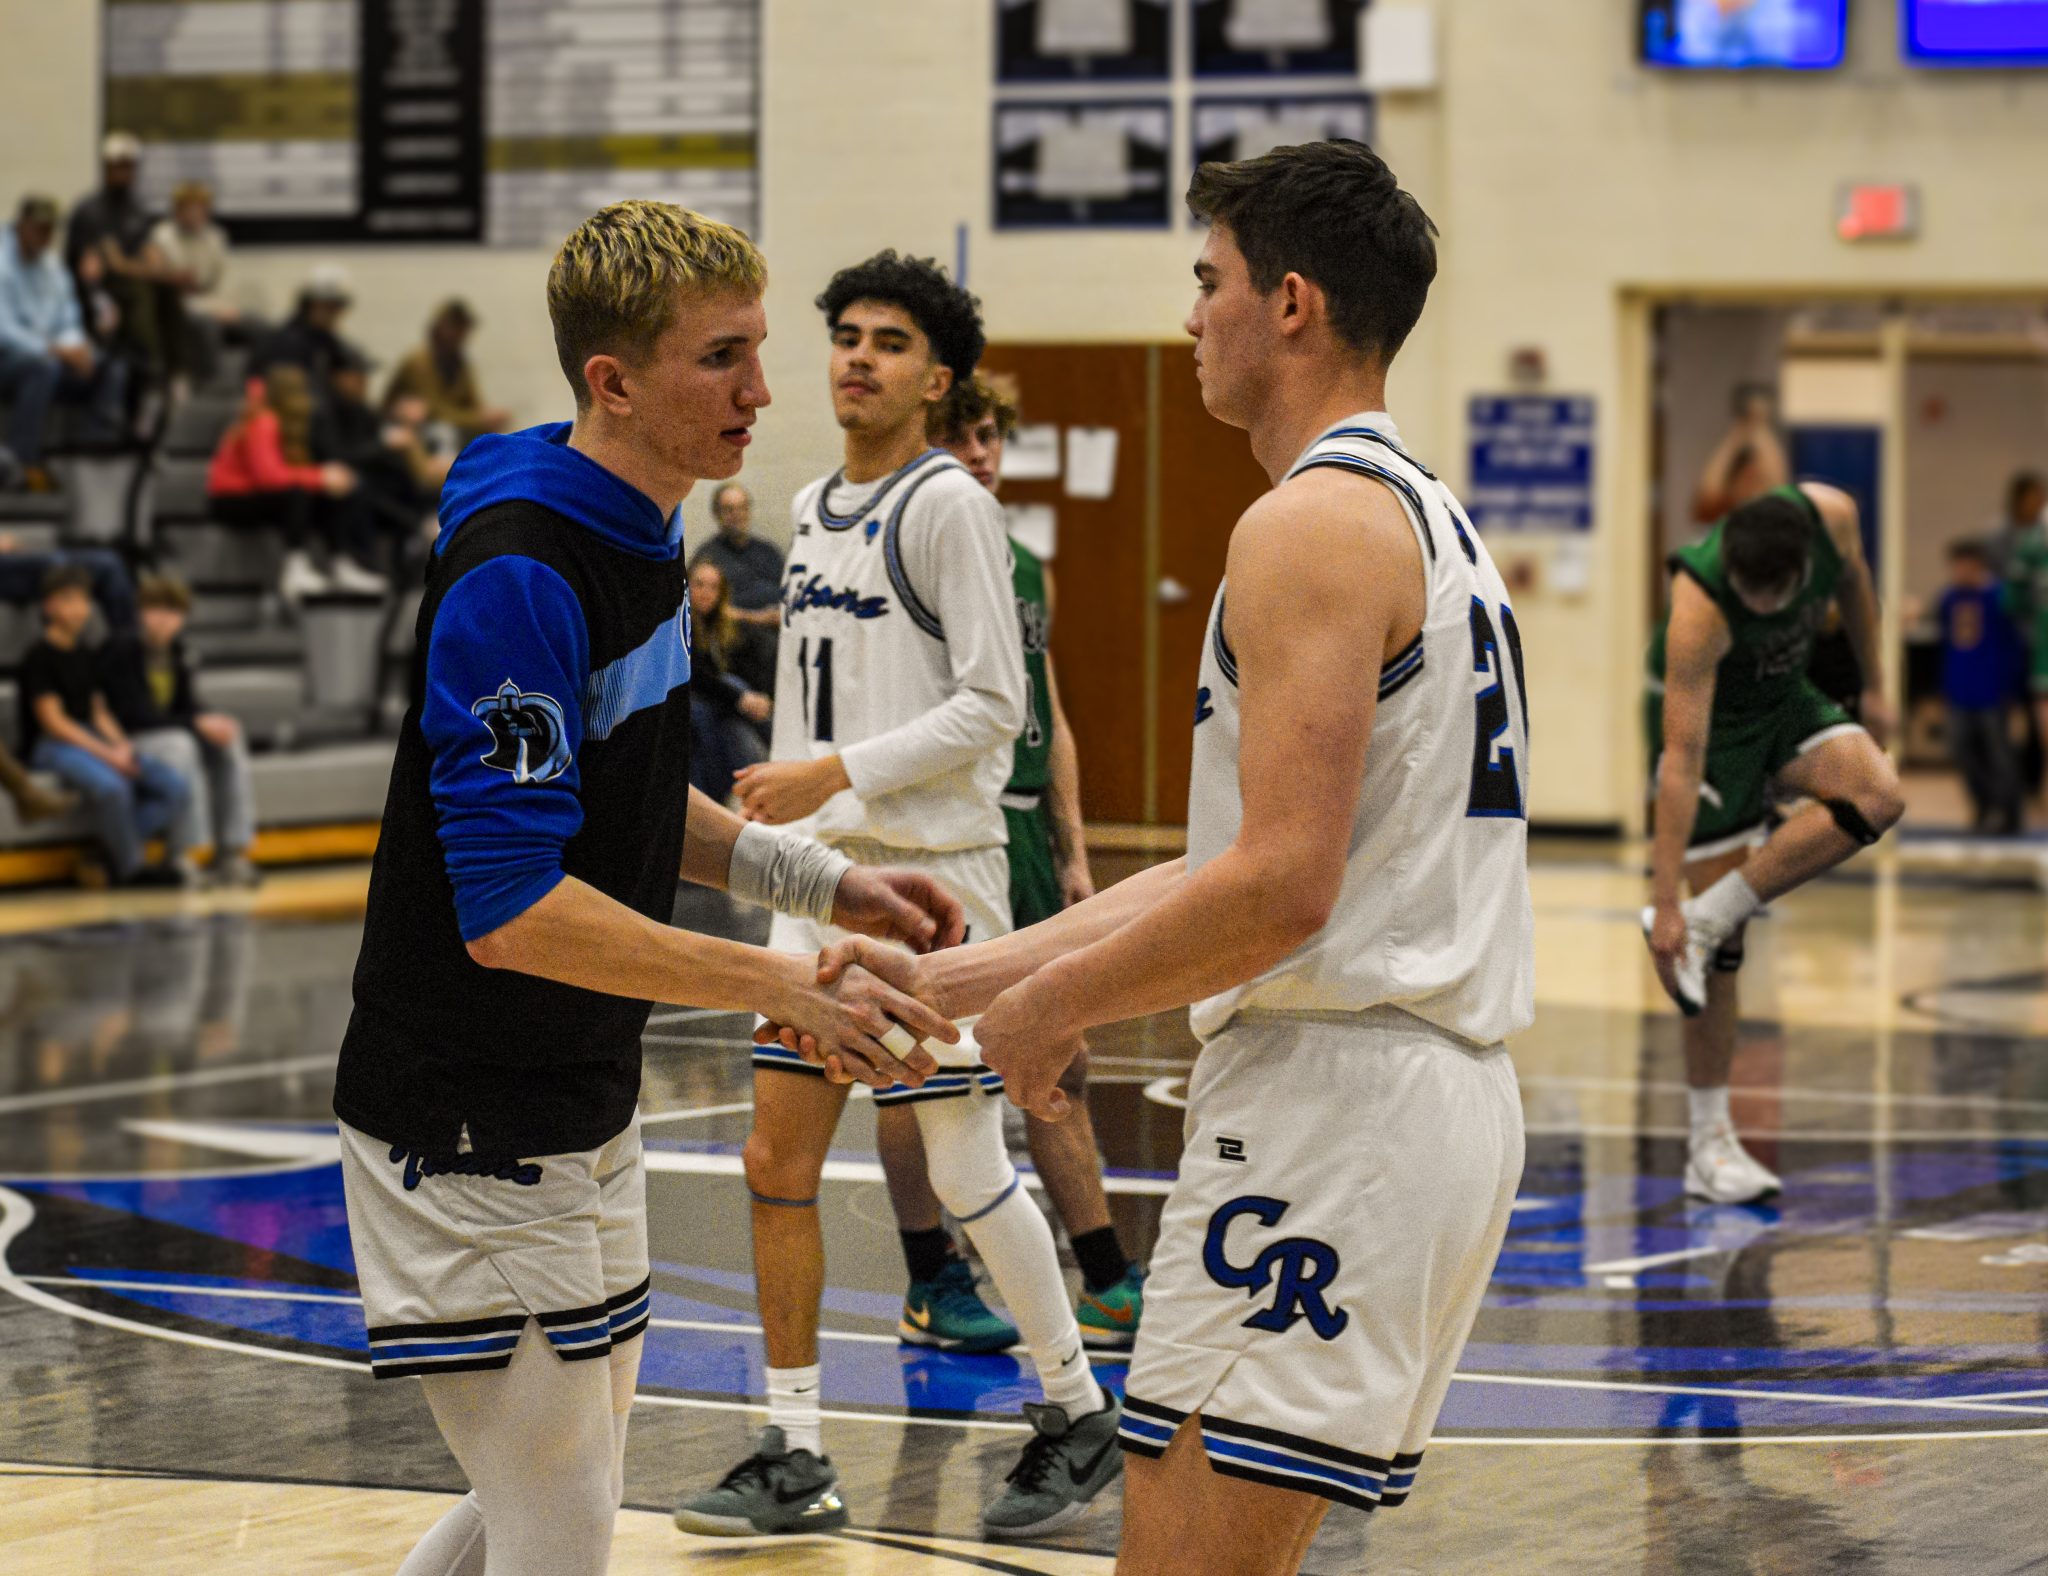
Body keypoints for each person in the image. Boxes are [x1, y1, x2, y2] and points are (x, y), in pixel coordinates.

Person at [771, 140, 1535, 1576]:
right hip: (1384, 1106)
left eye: (1210, 281)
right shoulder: (1422, 514)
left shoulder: (1307, 523)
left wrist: (1049, 1012)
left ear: (1291, 303)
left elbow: (1282, 890)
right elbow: (1227, 863)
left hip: (1344, 1109)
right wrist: (957, 975)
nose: (1193, 316)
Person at [330, 199, 967, 1576]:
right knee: (562, 1524)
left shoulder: (633, 530)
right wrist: (787, 984)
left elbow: (625, 805)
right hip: (468, 1116)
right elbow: (510, 909)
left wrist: (821, 881)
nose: (763, 389)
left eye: (756, 348)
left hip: (575, 1092)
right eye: (721, 358)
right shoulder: (524, 573)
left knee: (546, 1491)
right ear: (612, 383)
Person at [676, 251, 1122, 1543]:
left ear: (939, 378)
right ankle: (795, 1447)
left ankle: (1077, 1411)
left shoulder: (950, 507)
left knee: (969, 1165)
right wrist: (804, 810)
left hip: (930, 880)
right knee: (775, 1160)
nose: (858, 357)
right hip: (822, 881)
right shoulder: (813, 506)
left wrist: (835, 767)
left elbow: (997, 704)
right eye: (846, 336)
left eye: (889, 341)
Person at [871, 374, 1142, 1357]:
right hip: (946, 837)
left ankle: (1105, 1278)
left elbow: (1050, 711)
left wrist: (1073, 852)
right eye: (959, 435)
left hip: (1023, 833)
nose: (978, 453)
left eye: (987, 436)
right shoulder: (895, 555)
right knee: (920, 1069)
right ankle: (928, 1272)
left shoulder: (1025, 562)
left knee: (1061, 1054)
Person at [1642, 481, 1903, 1202]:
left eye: (1773, 596)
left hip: (1783, 697)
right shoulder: (1698, 607)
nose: (1758, 606)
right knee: (1719, 961)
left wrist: (1875, 682)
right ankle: (1707, 1146)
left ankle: (1711, 914)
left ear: (1800, 568)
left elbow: (1856, 586)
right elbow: (1680, 765)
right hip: (1713, 734)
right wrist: (1665, 904)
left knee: (1879, 794)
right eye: (1746, 594)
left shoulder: (1836, 518)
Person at [19, 564, 188, 888]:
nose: (79, 609)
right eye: (68, 600)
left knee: (173, 786)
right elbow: (54, 722)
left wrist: (121, 745)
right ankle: (131, 870)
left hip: (89, 737)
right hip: (52, 745)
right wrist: (107, 755)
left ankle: (108, 856)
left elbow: (99, 711)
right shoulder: (38, 657)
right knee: (114, 788)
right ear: (49, 606)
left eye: (84, 600)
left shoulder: (85, 653)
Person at [98, 574, 261, 886]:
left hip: (166, 731)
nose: (163, 621)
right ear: (140, 612)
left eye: (172, 613)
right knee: (182, 743)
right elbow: (133, 713)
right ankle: (182, 853)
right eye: (155, 610)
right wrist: (195, 723)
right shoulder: (121, 648)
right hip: (126, 738)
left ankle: (231, 850)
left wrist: (210, 718)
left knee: (230, 733)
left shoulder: (178, 652)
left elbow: (185, 704)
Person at [207, 366, 385, 600]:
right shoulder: (263, 420)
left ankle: (341, 563)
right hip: (229, 499)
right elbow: (268, 477)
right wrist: (320, 476)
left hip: (258, 494)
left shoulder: (285, 422)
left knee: (331, 495)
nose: (306, 399)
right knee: (298, 494)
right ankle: (294, 565)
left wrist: (327, 479)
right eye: (300, 392)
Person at [0, 195, 129, 491]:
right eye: (37, 228)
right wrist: (56, 350)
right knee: (42, 367)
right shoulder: (2, 262)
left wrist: (80, 349)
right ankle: (22, 462)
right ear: (20, 226)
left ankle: (95, 456)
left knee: (111, 368)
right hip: (10, 358)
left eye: (48, 229)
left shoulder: (52, 266)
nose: (43, 236)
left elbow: (68, 320)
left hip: (53, 357)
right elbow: (3, 329)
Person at [65, 131, 185, 385]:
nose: (123, 172)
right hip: (97, 290)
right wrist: (119, 267)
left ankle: (174, 371)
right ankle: (152, 366)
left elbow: (150, 256)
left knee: (167, 289)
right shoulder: (89, 211)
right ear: (106, 167)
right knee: (138, 292)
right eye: (118, 166)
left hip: (133, 281)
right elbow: (87, 269)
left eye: (128, 166)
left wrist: (127, 264)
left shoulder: (138, 209)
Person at [1938, 543, 2025, 836]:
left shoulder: (1999, 597)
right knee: (1962, 750)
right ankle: (1983, 805)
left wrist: (2012, 688)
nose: (1958, 572)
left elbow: (2015, 642)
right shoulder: (1950, 598)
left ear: (1978, 565)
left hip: (1992, 689)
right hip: (1959, 689)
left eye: (1964, 565)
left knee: (1999, 753)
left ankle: (2010, 812)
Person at [687, 560, 773, 801]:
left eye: (714, 587)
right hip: (691, 700)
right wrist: (740, 698)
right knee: (731, 690)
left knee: (736, 729)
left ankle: (759, 791)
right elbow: (694, 674)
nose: (706, 593)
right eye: (699, 585)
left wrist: (754, 697)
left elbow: (743, 666)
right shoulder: (680, 620)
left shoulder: (720, 625)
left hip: (720, 705)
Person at [382, 298, 512, 446]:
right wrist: (479, 419)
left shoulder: (460, 362)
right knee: (443, 433)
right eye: (455, 327)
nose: (460, 334)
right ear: (439, 329)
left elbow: (474, 402)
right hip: (407, 428)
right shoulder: (419, 362)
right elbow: (434, 412)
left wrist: (489, 417)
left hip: (448, 423)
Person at [145, 181, 237, 384]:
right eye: (188, 207)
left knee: (258, 325)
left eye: (200, 207)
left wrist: (224, 306)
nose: (194, 213)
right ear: (177, 210)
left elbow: (221, 280)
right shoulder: (162, 236)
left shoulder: (216, 237)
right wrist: (173, 277)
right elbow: (156, 274)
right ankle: (210, 387)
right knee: (208, 326)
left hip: (211, 301)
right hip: (178, 304)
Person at [1998, 472, 2048, 799]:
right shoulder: (2022, 539)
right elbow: (2010, 597)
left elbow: (2012, 596)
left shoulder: (2033, 540)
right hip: (2031, 643)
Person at [687, 482, 784, 626]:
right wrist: (758, 618)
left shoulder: (769, 552)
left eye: (742, 508)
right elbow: (701, 607)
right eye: (729, 509)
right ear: (716, 514)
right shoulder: (706, 558)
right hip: (731, 640)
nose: (737, 515)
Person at [1693, 383, 1788, 525]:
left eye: (1758, 480)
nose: (1753, 487)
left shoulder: (1776, 515)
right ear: (1732, 484)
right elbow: (1709, 493)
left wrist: (1759, 423)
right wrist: (1740, 430)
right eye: (1747, 479)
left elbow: (1778, 483)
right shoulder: (1722, 516)